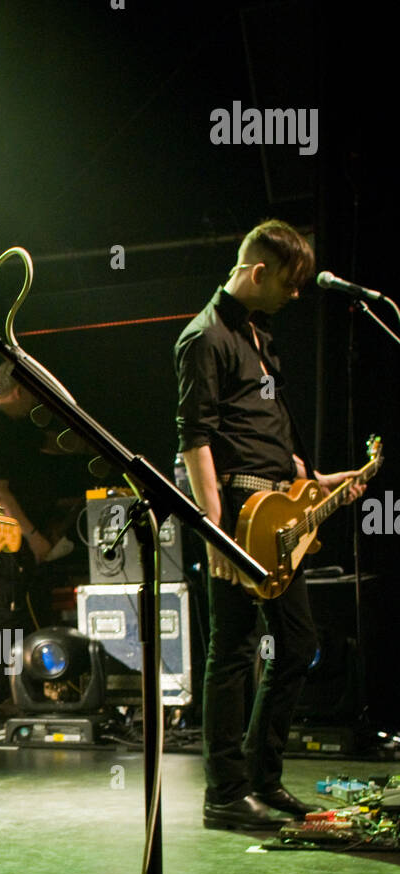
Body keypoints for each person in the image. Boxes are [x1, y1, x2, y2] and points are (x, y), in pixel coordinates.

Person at [174, 220, 366, 832]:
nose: (296, 293)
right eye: (290, 282)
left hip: (282, 509)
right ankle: (224, 795)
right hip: (236, 514)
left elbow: (268, 439)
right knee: (230, 653)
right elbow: (195, 439)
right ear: (259, 273)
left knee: (298, 644)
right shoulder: (204, 338)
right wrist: (214, 528)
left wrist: (317, 481)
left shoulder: (260, 337)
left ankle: (263, 778)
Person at [0, 361, 88, 631]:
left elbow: (49, 443)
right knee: (16, 614)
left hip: (29, 537)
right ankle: (12, 673)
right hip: (12, 542)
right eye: (34, 391)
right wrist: (34, 537)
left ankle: (38, 670)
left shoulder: (17, 425)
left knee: (37, 610)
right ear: (19, 390)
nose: (38, 399)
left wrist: (89, 444)